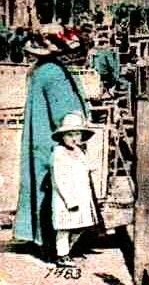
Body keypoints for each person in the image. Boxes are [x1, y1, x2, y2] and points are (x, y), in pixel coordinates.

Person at [15, 48, 89, 257]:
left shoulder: (41, 70)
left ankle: (40, 239)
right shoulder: (55, 73)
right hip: (53, 144)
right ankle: (57, 248)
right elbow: (65, 117)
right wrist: (79, 134)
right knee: (61, 196)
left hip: (40, 140)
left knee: (41, 189)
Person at [50, 112, 100, 267]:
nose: (74, 138)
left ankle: (69, 250)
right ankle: (62, 255)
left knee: (80, 225)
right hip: (66, 198)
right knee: (64, 228)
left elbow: (85, 167)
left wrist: (92, 166)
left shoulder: (79, 151)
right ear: (62, 136)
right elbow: (59, 179)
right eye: (69, 135)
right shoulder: (59, 153)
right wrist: (69, 200)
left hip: (82, 196)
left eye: (77, 134)